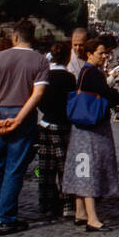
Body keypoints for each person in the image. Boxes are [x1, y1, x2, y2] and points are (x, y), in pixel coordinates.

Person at [0, 19, 48, 236]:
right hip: (22, 116)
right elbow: (37, 94)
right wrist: (18, 119)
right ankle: (6, 217)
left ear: (15, 37)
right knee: (14, 169)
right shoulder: (40, 61)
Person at [64, 33, 119, 231]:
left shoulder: (84, 72)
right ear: (90, 54)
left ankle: (80, 211)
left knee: (83, 168)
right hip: (93, 128)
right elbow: (109, 95)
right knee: (90, 170)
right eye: (101, 53)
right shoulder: (93, 74)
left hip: (82, 128)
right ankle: (92, 218)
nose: (104, 56)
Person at [36, 42, 76, 219]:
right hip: (61, 123)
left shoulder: (44, 75)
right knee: (64, 165)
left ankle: (46, 203)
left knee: (46, 165)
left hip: (45, 122)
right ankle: (68, 203)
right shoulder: (68, 78)